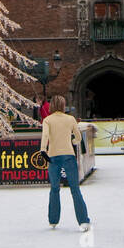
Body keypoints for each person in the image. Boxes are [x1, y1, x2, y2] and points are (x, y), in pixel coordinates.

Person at [40, 95, 90, 231]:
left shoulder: (47, 120)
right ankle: (83, 221)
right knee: (75, 189)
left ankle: (53, 220)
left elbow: (45, 136)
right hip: (68, 155)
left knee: (54, 189)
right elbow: (78, 136)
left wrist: (43, 150)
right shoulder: (70, 119)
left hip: (53, 156)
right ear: (63, 105)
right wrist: (73, 142)